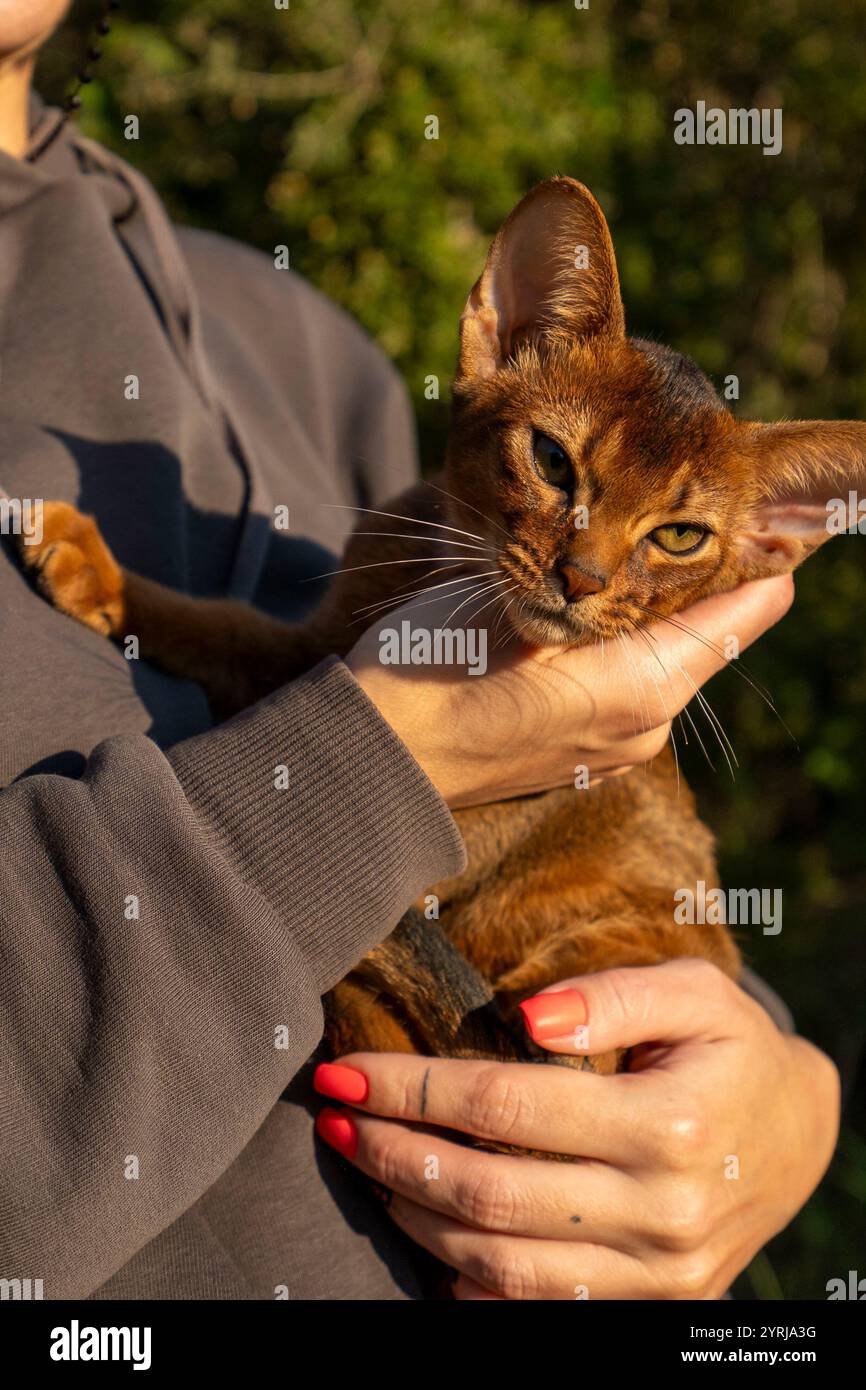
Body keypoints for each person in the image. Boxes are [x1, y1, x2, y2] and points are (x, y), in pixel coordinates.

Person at [0, 2, 839, 1301]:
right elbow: (319, 712)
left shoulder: (290, 339)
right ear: (499, 336)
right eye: (553, 467)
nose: (583, 567)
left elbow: (286, 676)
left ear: (767, 543)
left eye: (670, 537)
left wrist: (778, 1098)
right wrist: (394, 750)